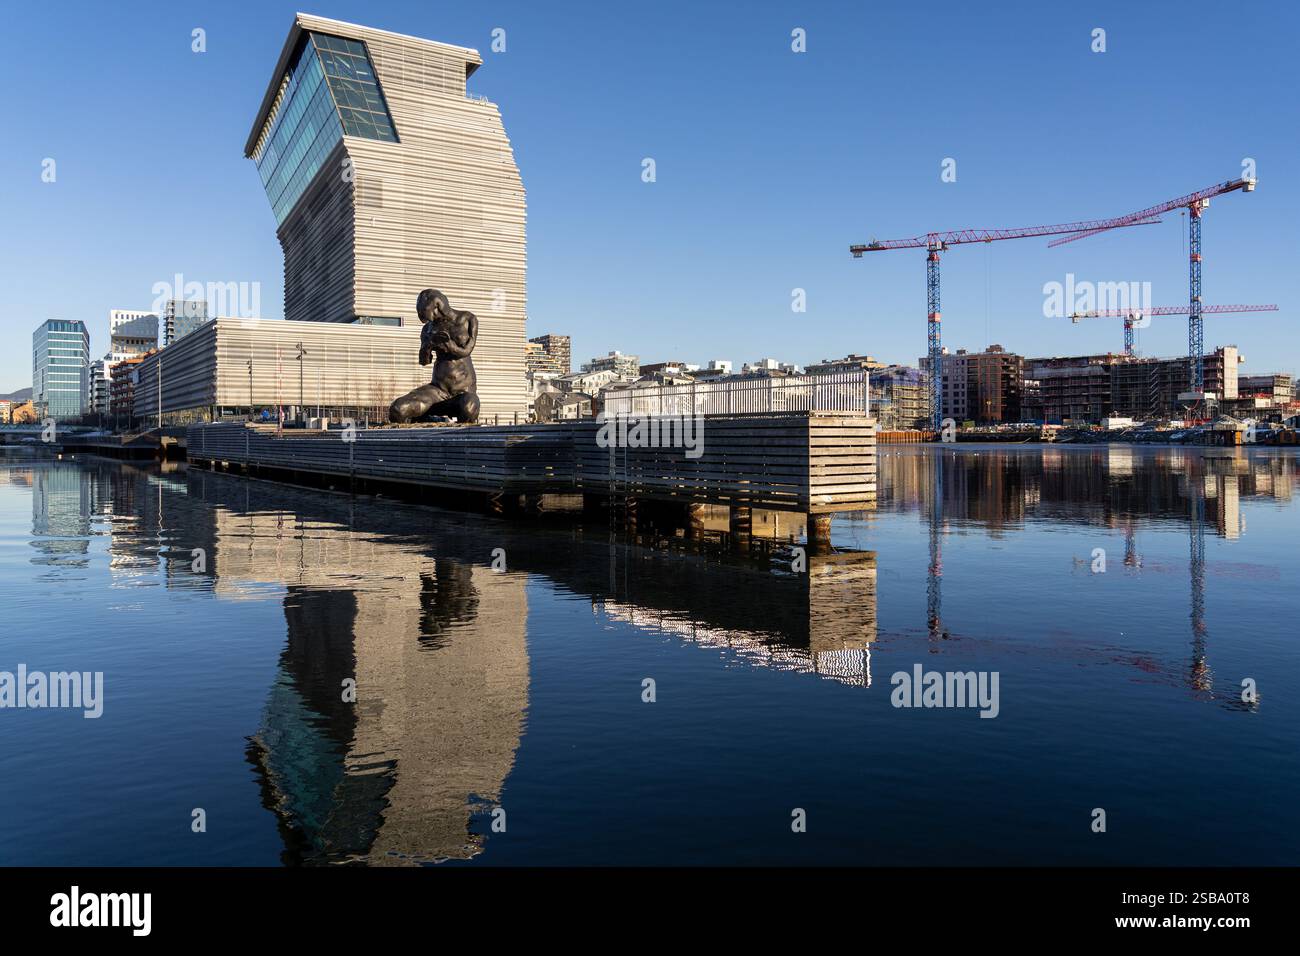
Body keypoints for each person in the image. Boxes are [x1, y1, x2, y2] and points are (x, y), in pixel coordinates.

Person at [388, 289, 481, 424]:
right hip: (437, 390)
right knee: (397, 409)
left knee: (469, 407)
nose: (432, 320)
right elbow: (424, 361)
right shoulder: (428, 329)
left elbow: (467, 350)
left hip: (463, 392)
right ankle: (428, 420)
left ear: (438, 306)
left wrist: (447, 345)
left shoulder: (468, 319)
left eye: (431, 315)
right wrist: (427, 346)